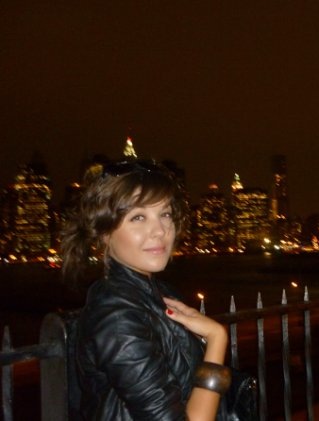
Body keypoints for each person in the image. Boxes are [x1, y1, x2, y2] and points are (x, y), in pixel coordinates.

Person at [61, 159, 229, 421]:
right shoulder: (117, 317)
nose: (159, 230)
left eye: (165, 214)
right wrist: (217, 339)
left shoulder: (158, 293)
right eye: (138, 217)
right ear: (104, 233)